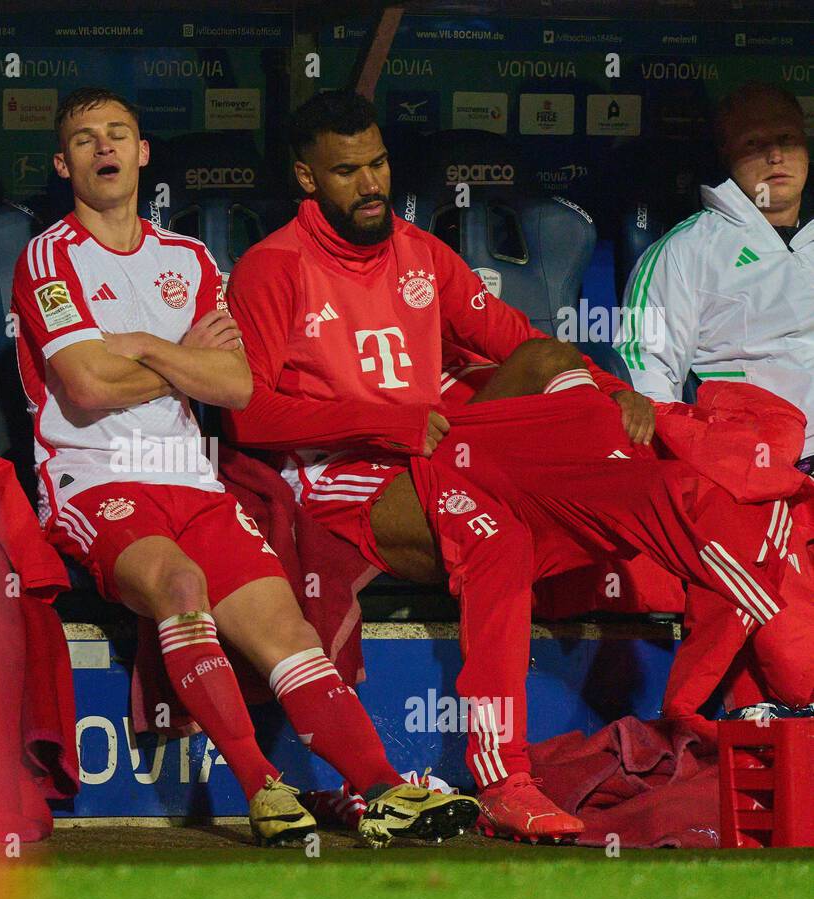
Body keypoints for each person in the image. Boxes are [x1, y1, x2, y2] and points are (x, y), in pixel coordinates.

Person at [222, 89, 789, 843]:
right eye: (347, 172)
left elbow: (514, 341)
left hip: (442, 449)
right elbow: (253, 416)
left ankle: (656, 489)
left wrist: (623, 399)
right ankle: (504, 781)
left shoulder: (421, 253)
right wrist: (382, 420)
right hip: (343, 472)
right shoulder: (272, 269)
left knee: (558, 364)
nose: (371, 185)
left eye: (380, 164)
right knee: (501, 542)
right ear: (306, 179)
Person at [11, 87, 478, 848]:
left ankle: (385, 790)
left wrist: (150, 349)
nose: (106, 149)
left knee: (286, 629)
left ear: (143, 153)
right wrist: (190, 359)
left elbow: (239, 386)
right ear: (64, 163)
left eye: (120, 134)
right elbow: (88, 386)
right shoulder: (50, 256)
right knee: (181, 585)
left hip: (192, 479)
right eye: (88, 139)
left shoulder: (189, 259)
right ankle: (263, 787)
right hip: (94, 480)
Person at [616, 82, 813, 467]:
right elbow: (645, 369)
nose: (775, 155)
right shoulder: (684, 251)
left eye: (786, 138)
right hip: (769, 462)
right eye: (754, 143)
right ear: (726, 152)